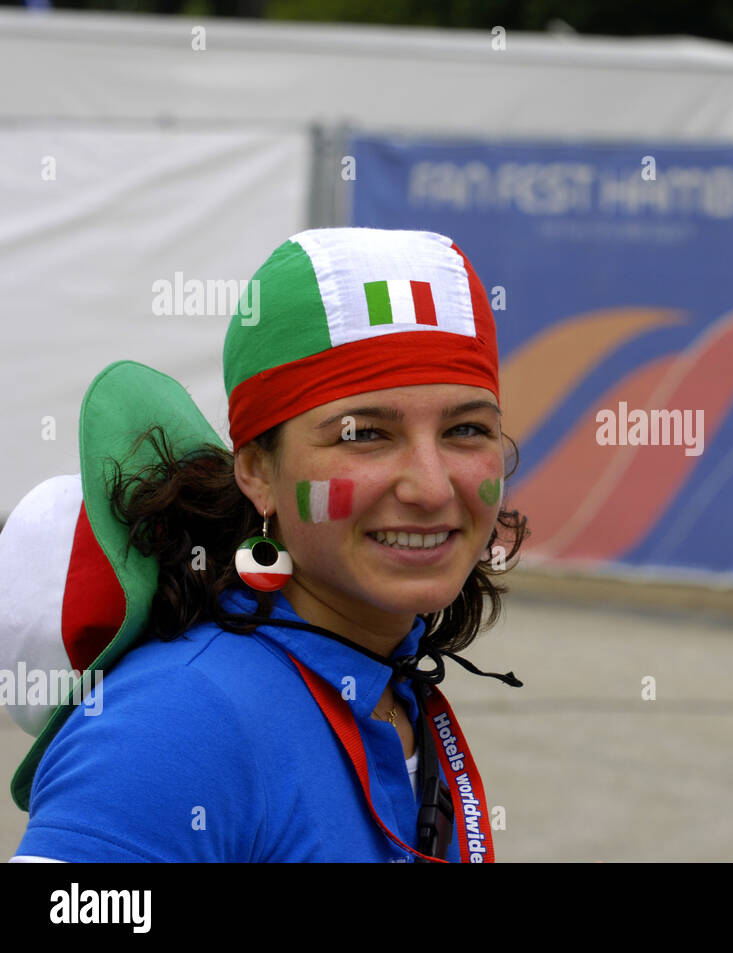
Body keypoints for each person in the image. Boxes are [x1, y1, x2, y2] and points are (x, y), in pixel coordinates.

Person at [6, 227, 526, 862]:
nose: (430, 485)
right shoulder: (177, 721)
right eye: (364, 434)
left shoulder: (383, 683)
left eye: (466, 429)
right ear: (255, 472)